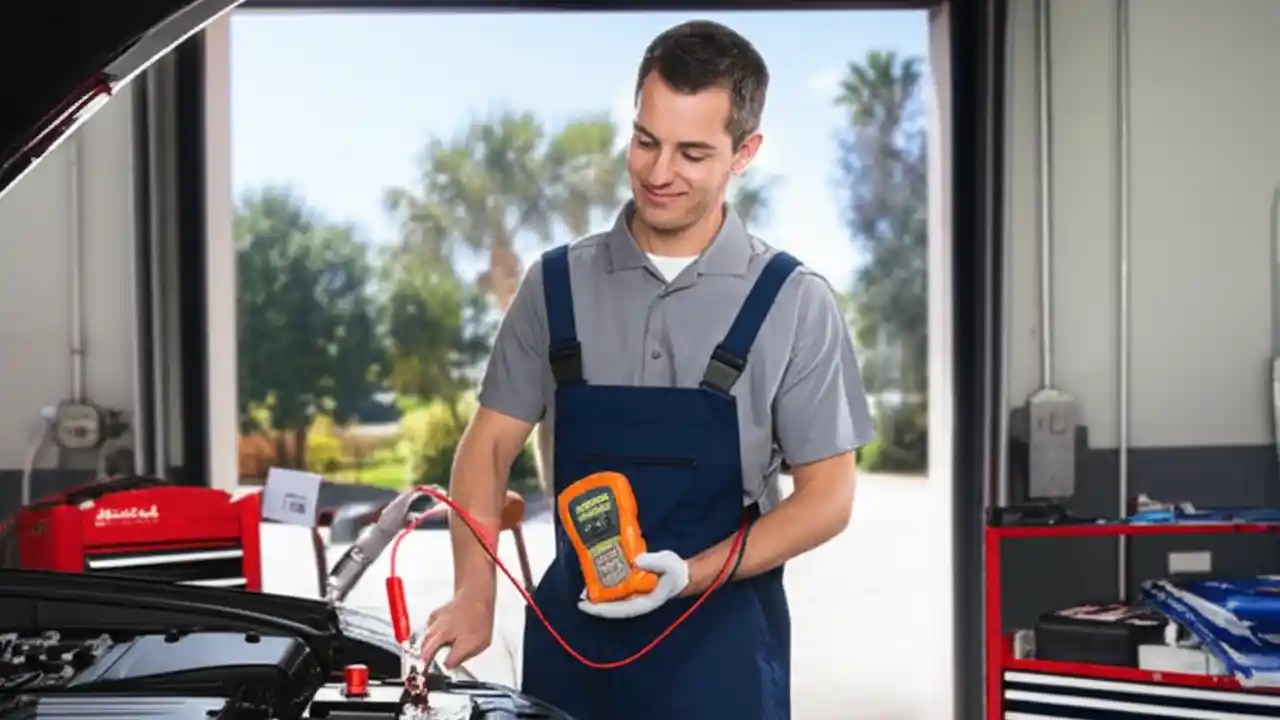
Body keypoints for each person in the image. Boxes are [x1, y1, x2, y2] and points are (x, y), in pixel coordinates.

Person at [419, 19, 876, 720]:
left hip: (719, 652)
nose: (660, 173)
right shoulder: (555, 286)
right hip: (570, 644)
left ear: (744, 152)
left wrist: (688, 577)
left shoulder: (792, 301)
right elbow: (487, 449)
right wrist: (475, 595)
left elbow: (827, 498)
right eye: (646, 141)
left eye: (693, 153)